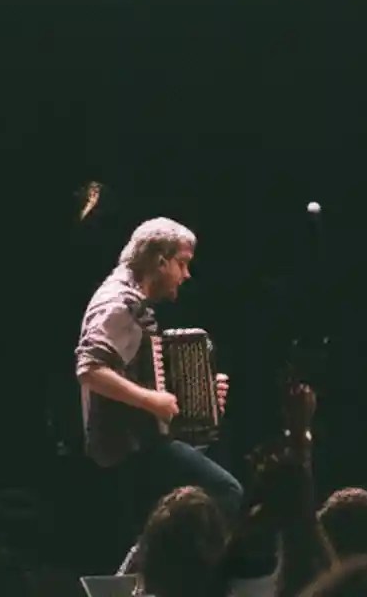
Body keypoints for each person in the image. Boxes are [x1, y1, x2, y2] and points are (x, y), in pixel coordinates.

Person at [74, 217, 241, 561]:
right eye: (183, 263)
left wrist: (204, 397)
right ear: (159, 260)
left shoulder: (133, 302)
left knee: (208, 456)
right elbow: (90, 369)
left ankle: (160, 559)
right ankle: (165, 565)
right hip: (130, 450)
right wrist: (151, 400)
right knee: (225, 491)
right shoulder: (118, 303)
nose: (187, 274)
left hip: (143, 442)